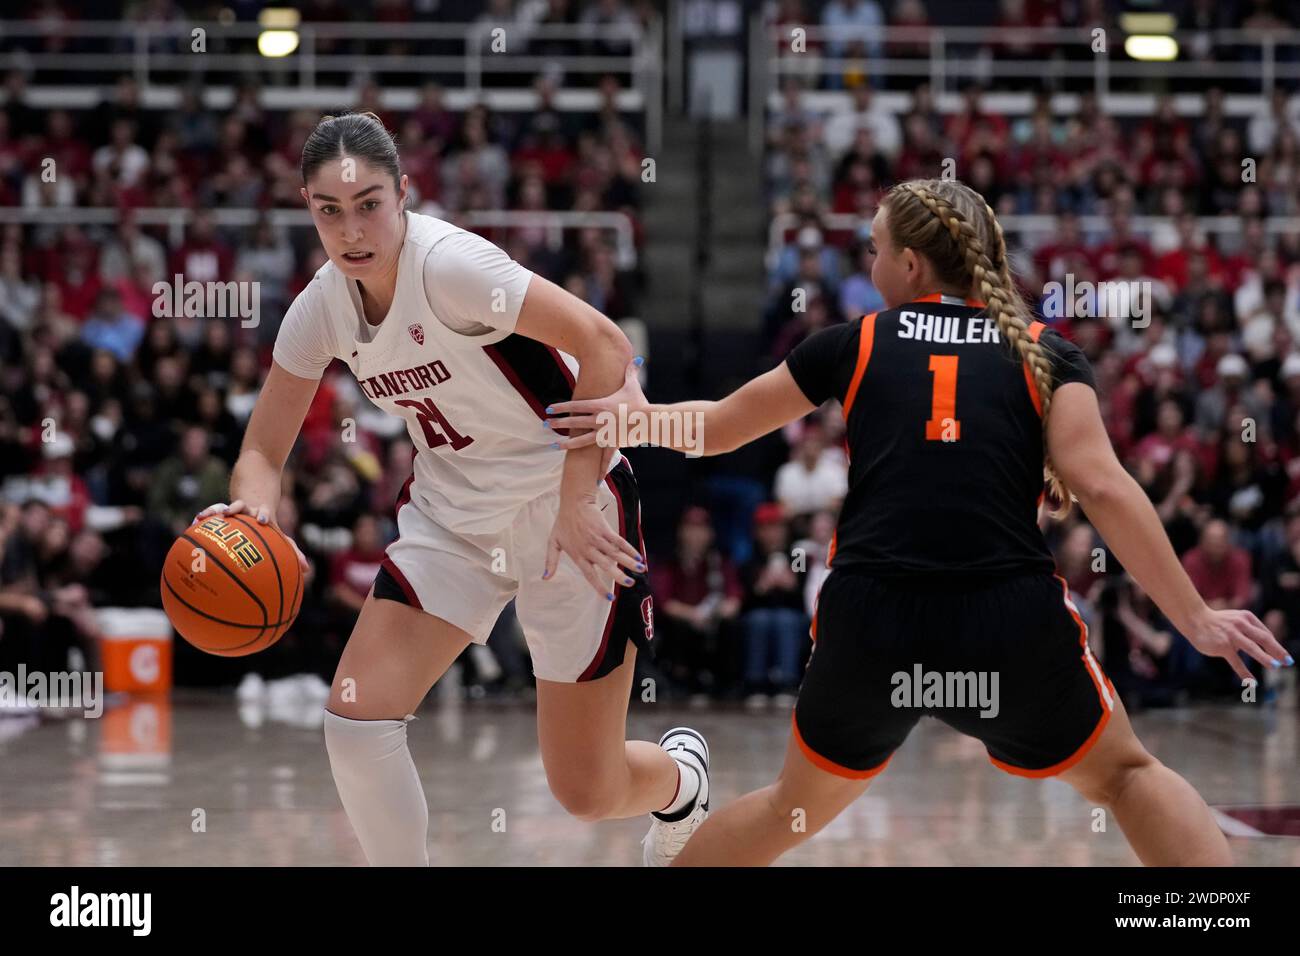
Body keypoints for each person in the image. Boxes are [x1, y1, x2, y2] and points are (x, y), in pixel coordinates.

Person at [547, 178, 1292, 866]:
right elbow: (1102, 484)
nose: (868, 261)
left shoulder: (857, 340)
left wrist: (633, 422)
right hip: (1006, 622)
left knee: (786, 812)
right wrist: (1193, 615)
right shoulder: (1046, 354)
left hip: (873, 622)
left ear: (908, 265)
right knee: (1127, 777)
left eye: (874, 248)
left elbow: (718, 428)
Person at [193, 112, 707, 867]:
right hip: (454, 516)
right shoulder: (320, 307)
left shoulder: (454, 270)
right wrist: (254, 514)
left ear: (404, 193)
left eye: (369, 203)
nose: (352, 229)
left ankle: (682, 782)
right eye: (330, 210)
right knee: (355, 719)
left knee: (587, 792)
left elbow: (605, 343)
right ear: (307, 206)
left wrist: (573, 496)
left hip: (567, 507)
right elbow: (263, 451)